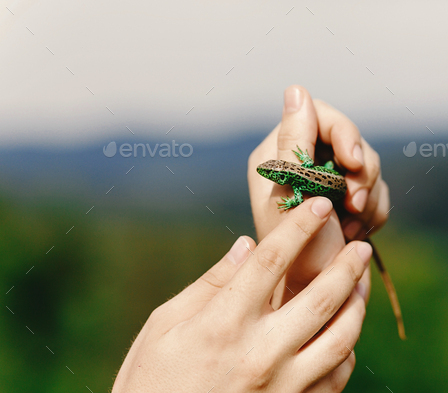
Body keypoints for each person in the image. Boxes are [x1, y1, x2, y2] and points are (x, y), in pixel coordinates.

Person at [112, 86, 390, 392]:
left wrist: (290, 209)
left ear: (284, 177)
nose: (268, 174)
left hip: (336, 189)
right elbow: (306, 170)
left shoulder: (296, 181)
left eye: (274, 174)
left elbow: (299, 192)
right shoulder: (298, 170)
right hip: (331, 184)